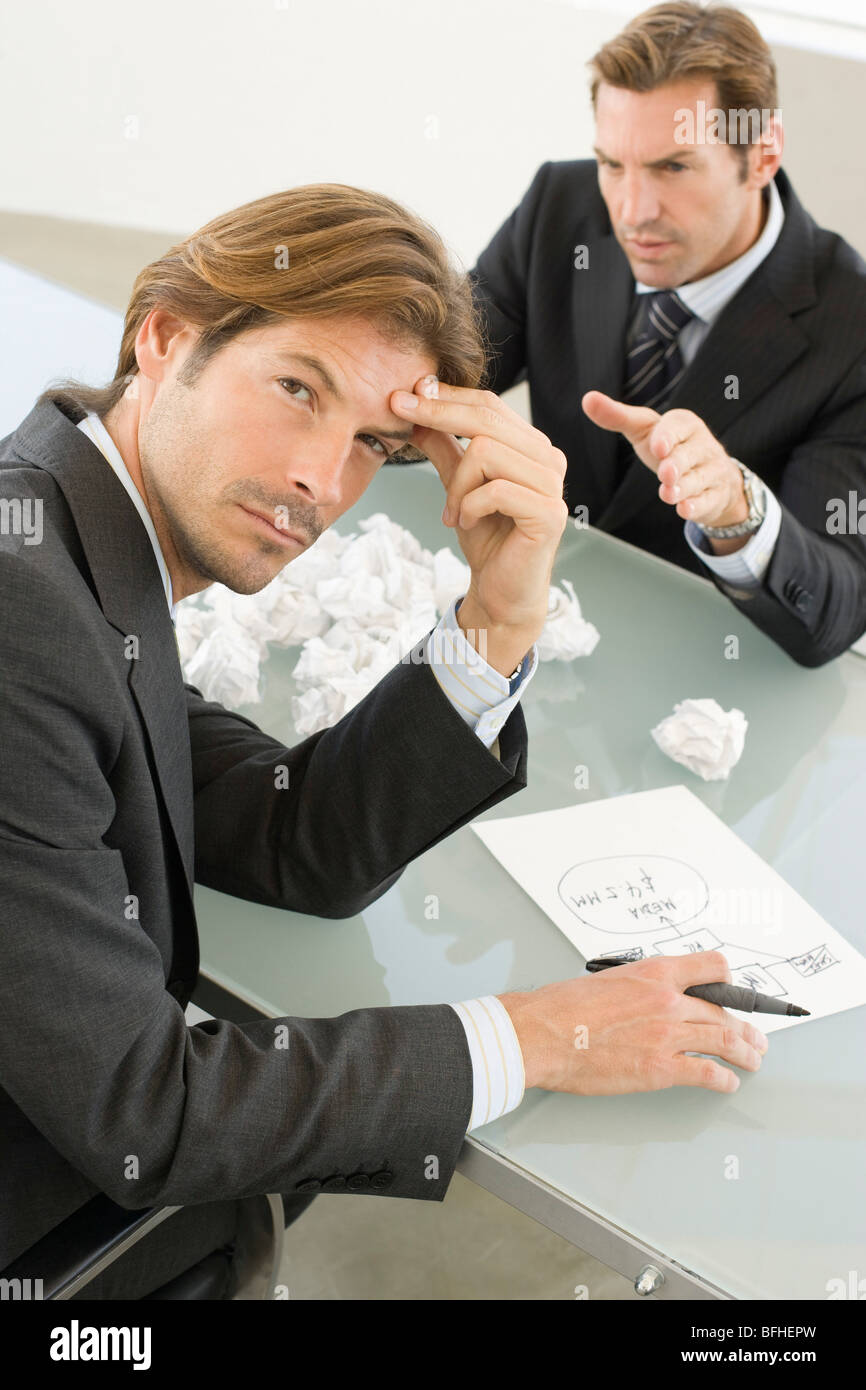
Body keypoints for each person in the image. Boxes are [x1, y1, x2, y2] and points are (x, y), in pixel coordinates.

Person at [0, 182, 766, 1299]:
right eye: (295, 387)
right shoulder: (24, 610)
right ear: (162, 337)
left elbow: (290, 833)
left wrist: (497, 620)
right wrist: (535, 1035)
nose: (322, 478)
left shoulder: (75, 540)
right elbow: (146, 1109)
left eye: (368, 439)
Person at [470, 1, 866, 667]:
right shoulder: (558, 208)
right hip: (540, 635)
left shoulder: (852, 328)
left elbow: (834, 610)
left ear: (762, 155)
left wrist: (737, 509)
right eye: (613, 164)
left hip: (711, 689)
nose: (631, 211)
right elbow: (445, 360)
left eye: (673, 168)